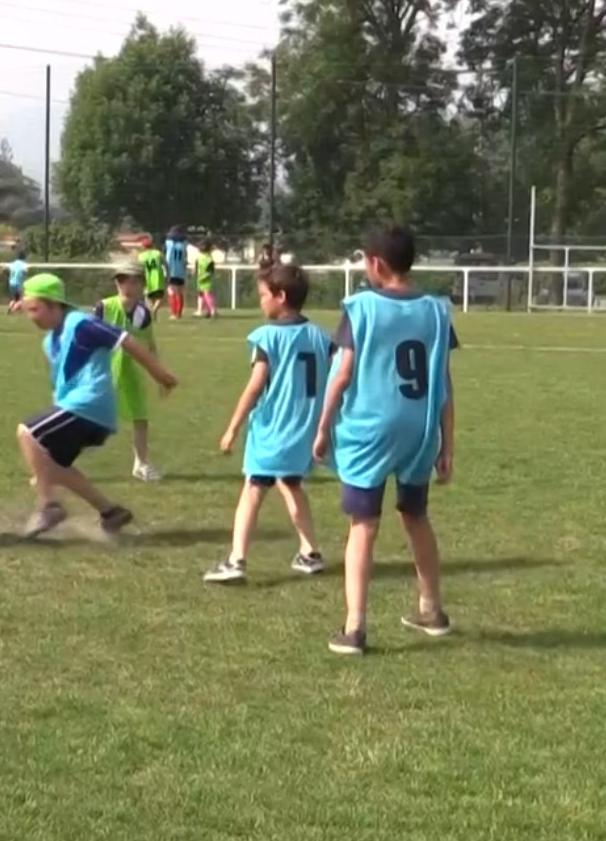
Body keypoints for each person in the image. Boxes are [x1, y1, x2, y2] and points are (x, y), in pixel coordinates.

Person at [313, 225, 457, 656]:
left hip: (370, 429)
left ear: (375, 263)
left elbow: (342, 376)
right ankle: (431, 609)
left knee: (364, 524)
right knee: (415, 515)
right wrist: (448, 445)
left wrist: (322, 427)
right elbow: (444, 382)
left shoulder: (361, 307)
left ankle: (355, 627)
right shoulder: (436, 310)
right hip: (419, 427)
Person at [16, 274, 177, 538]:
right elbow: (62, 381)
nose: (31, 316)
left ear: (55, 304)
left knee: (26, 432)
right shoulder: (49, 342)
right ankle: (110, 511)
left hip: (90, 406)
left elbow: (126, 340)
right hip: (77, 407)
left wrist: (159, 373)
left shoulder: (82, 324)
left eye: (35, 309)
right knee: (52, 466)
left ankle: (49, 506)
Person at [204, 264, 334, 584]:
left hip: (273, 427)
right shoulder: (321, 336)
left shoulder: (267, 336)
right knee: (290, 483)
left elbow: (255, 385)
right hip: (305, 429)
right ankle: (310, 552)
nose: (261, 302)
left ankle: (236, 560)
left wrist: (233, 427)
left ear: (281, 297)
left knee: (253, 488)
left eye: (264, 295)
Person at [94, 261, 162, 483]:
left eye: (134, 281)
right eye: (123, 281)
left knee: (141, 418)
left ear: (142, 284)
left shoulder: (144, 314)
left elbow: (150, 345)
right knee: (85, 418)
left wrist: (159, 376)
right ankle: (57, 462)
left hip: (131, 370)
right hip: (103, 370)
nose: (128, 286)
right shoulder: (104, 307)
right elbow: (87, 338)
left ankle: (141, 463)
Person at [136, 236, 167, 312]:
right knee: (160, 297)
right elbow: (166, 265)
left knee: (149, 297)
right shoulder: (158, 253)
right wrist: (167, 275)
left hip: (147, 278)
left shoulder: (141, 256)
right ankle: (154, 311)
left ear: (143, 247)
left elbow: (139, 268)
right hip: (158, 278)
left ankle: (151, 311)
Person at [164, 227, 189, 319]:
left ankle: (174, 313)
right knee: (180, 292)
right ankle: (179, 313)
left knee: (171, 292)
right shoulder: (183, 245)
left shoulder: (169, 244)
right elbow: (185, 258)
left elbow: (166, 256)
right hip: (181, 272)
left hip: (171, 271)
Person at [194, 238, 219, 318]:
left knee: (207, 295)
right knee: (201, 295)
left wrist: (202, 277)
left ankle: (212, 310)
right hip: (200, 279)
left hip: (205, 280)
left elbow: (210, 272)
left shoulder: (209, 259)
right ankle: (201, 310)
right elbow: (197, 268)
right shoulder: (200, 258)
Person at [5, 248, 30, 314]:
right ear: (24, 257)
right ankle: (17, 310)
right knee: (21, 297)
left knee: (14, 298)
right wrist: (25, 278)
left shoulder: (13, 263)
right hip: (18, 283)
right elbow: (25, 272)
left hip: (11, 282)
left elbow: (5, 267)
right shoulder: (24, 264)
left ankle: (10, 308)